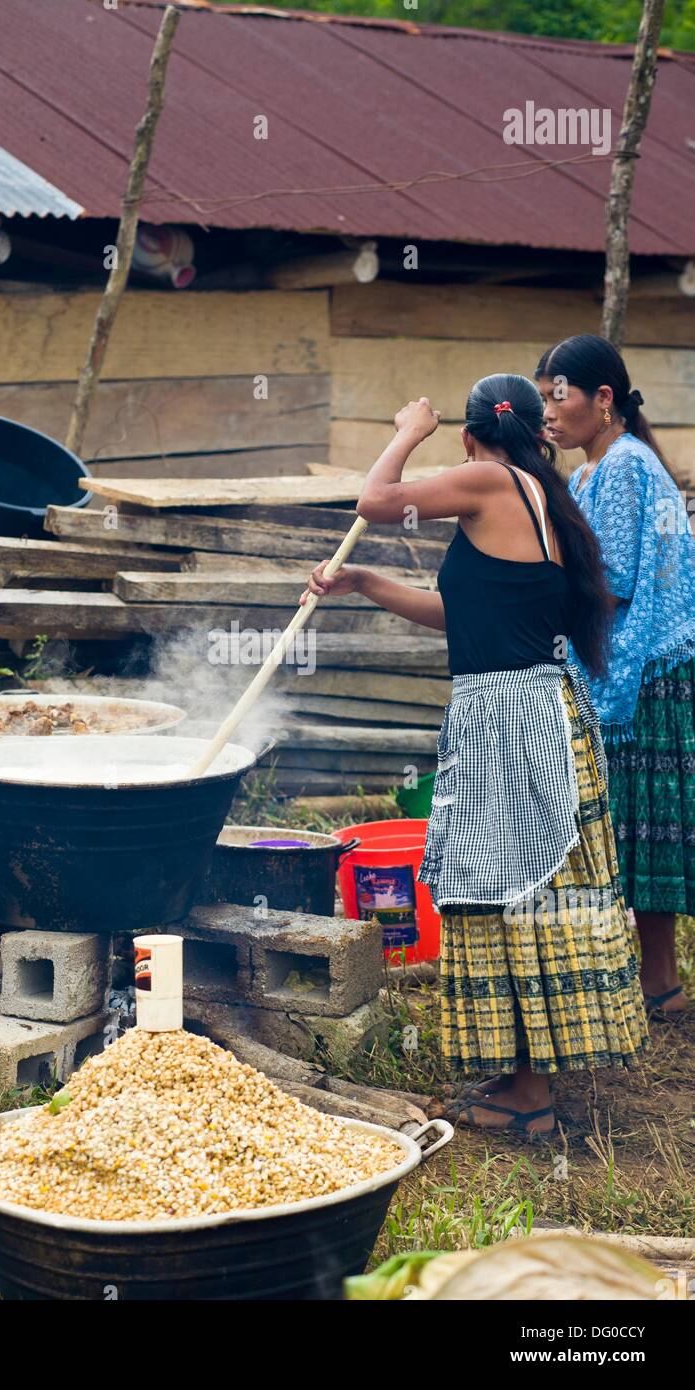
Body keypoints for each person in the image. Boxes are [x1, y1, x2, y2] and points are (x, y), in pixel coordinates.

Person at [302, 374, 648, 1137]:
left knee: (515, 894)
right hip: (522, 713)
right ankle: (524, 1077)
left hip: (516, 723)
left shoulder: (491, 480)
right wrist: (361, 580)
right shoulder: (531, 495)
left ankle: (531, 1098)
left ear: (467, 436)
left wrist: (403, 430)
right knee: (514, 892)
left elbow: (376, 502)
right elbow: (460, 616)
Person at [536, 335, 695, 1021]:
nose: (548, 412)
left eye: (558, 395)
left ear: (603, 399)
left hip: (648, 671)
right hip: (622, 665)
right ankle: (651, 980)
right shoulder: (587, 473)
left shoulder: (627, 465)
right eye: (541, 398)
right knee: (627, 825)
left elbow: (618, 578)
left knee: (644, 826)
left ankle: (659, 981)